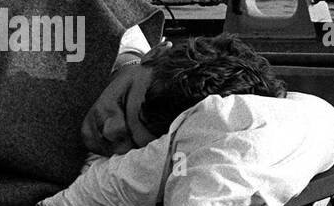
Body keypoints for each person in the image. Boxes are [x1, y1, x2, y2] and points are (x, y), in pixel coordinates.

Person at [81, 32, 288, 157]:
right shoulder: (73, 23)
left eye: (132, 143)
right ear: (154, 53)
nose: (109, 130)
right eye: (122, 100)